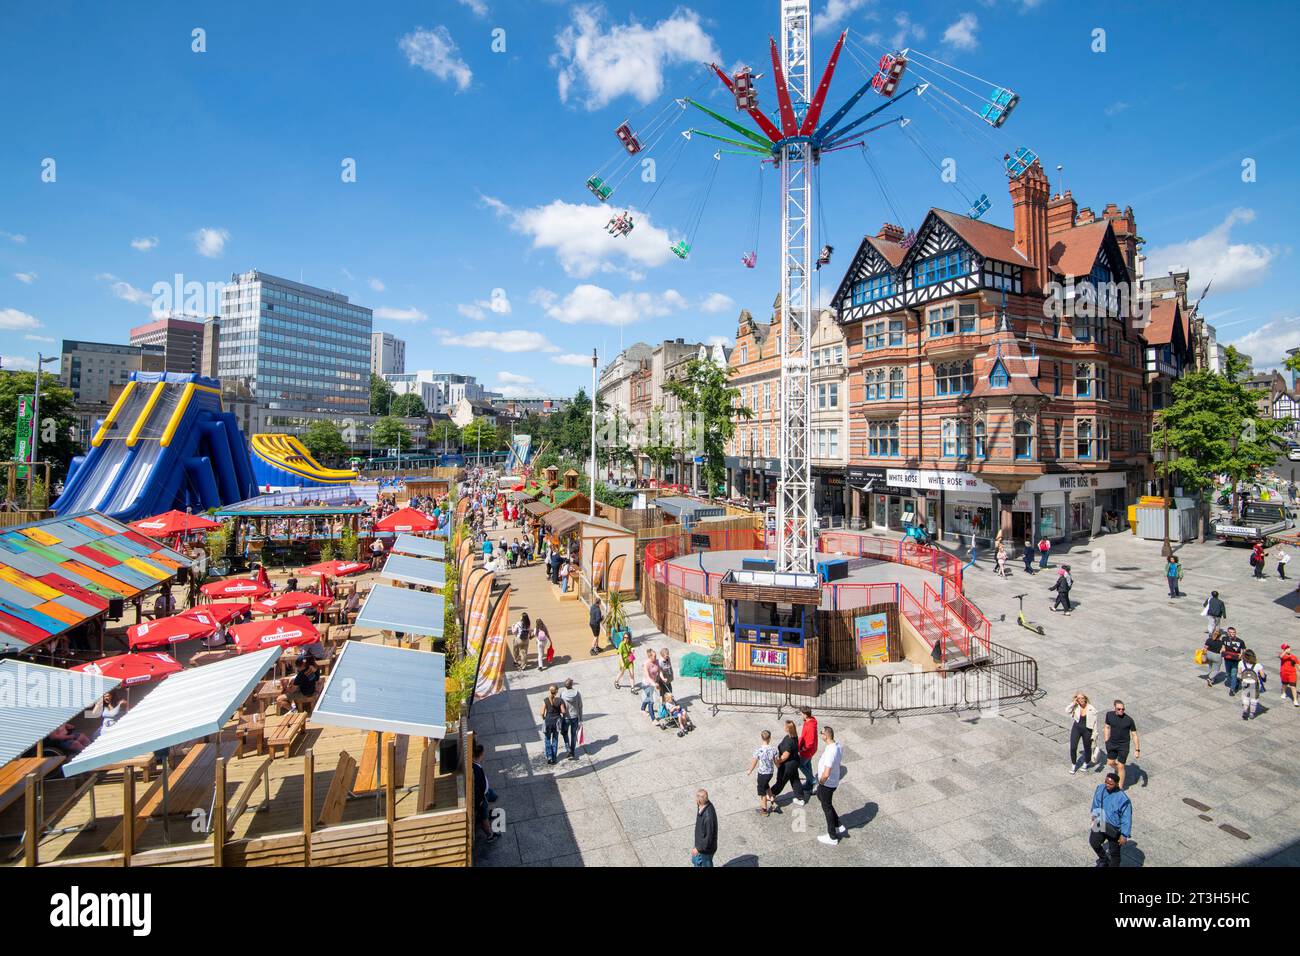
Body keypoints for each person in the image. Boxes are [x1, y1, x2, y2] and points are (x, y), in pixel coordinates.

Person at [1089, 773, 1133, 867]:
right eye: (1106, 782)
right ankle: (1104, 860)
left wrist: (1124, 835)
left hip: (1114, 827)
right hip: (1099, 821)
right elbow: (1096, 802)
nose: (1107, 785)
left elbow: (1126, 818)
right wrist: (1094, 815)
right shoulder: (1100, 788)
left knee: (1114, 852)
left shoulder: (1123, 799)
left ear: (1117, 784)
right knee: (1094, 842)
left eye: (1110, 784)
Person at [815, 725, 846, 846]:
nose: (820, 734)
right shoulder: (837, 746)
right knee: (822, 798)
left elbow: (826, 772)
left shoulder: (830, 752)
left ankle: (832, 836)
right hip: (833, 781)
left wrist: (821, 782)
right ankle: (838, 824)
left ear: (826, 736)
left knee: (826, 807)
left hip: (827, 783)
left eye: (821, 733)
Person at [1102, 700, 1139, 789]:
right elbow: (1107, 727)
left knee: (1121, 766)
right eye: (1119, 709)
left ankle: (1120, 787)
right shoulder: (1109, 715)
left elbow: (1134, 735)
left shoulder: (1129, 720)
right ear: (1114, 708)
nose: (1121, 711)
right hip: (1112, 744)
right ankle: (1120, 772)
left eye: (1123, 709)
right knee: (1110, 762)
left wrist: (1137, 750)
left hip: (1123, 746)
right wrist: (1106, 741)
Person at [769, 719, 806, 806]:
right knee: (795, 780)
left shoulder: (789, 742)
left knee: (781, 781)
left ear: (787, 729)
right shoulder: (794, 736)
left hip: (787, 765)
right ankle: (800, 797)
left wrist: (777, 761)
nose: (783, 727)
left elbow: (785, 756)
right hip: (794, 762)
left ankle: (770, 794)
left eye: (785, 726)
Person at [747, 730, 779, 816]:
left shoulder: (758, 750)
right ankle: (772, 800)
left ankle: (764, 810)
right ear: (770, 738)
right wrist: (779, 767)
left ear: (762, 738)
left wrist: (750, 770)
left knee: (762, 793)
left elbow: (754, 762)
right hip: (770, 773)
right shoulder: (773, 750)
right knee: (766, 785)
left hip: (762, 774)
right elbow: (776, 762)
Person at [1067, 692, 1099, 774]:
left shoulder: (1091, 708)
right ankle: (1074, 764)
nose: (1080, 700)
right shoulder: (1076, 706)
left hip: (1087, 730)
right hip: (1076, 728)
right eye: (1078, 698)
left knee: (1087, 748)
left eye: (1082, 698)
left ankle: (1086, 763)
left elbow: (1095, 723)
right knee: (1073, 747)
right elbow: (1067, 710)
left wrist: (1094, 734)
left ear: (1085, 698)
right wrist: (1073, 703)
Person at [472, 742, 497, 845]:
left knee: (491, 799)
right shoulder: (476, 769)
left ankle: (488, 813)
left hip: (484, 793)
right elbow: (477, 787)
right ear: (481, 754)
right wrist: (481, 801)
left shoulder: (475, 765)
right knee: (484, 817)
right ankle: (490, 835)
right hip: (481, 797)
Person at [539, 685, 566, 765]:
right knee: (555, 739)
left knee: (547, 739)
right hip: (556, 722)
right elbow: (563, 711)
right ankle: (554, 757)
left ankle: (549, 757)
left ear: (549, 691)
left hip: (548, 722)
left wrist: (544, 718)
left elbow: (542, 713)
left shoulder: (545, 700)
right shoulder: (560, 700)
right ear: (557, 691)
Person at [691, 789, 718, 867]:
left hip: (706, 849)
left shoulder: (708, 817)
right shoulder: (702, 806)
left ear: (700, 801)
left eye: (697, 798)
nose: (695, 799)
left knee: (705, 864)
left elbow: (708, 838)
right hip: (701, 844)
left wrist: (698, 849)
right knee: (696, 861)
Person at [1238, 649, 1266, 720]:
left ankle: (1245, 710)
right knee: (1254, 699)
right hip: (1254, 684)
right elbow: (1263, 676)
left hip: (1245, 682)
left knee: (1245, 697)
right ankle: (1252, 713)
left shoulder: (1241, 663)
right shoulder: (1258, 665)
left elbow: (1239, 673)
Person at [559, 677, 583, 759]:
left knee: (564, 733)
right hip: (575, 717)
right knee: (573, 735)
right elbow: (580, 706)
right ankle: (572, 751)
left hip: (566, 718)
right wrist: (581, 719)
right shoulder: (577, 693)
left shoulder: (562, 694)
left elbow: (560, 706)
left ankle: (568, 748)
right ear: (572, 685)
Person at [797, 706, 819, 794]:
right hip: (811, 750)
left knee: (801, 765)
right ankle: (809, 782)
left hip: (807, 751)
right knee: (808, 765)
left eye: (801, 713)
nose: (800, 715)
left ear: (805, 715)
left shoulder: (810, 726)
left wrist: (802, 749)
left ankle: (813, 781)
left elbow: (809, 742)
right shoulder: (810, 721)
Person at [1221, 626, 1246, 696]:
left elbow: (1244, 650)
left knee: (1234, 674)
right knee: (1228, 674)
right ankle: (1236, 681)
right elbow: (1223, 646)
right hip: (1227, 659)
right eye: (1231, 632)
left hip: (1235, 660)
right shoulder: (1224, 639)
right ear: (1228, 633)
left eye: (1234, 632)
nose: (1233, 634)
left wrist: (1242, 654)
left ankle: (1232, 689)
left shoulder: (1240, 641)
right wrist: (1222, 650)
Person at [1279, 643, 1298, 708]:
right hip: (1284, 673)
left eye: (1289, 648)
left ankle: (1295, 700)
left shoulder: (1294, 657)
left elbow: (1297, 665)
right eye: (1286, 648)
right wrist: (1285, 652)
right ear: (1284, 650)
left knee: (1293, 687)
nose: (1288, 649)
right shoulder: (1283, 655)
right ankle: (1283, 693)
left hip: (1292, 674)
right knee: (1284, 684)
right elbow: (1281, 656)